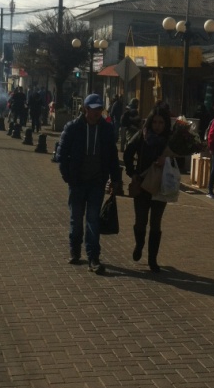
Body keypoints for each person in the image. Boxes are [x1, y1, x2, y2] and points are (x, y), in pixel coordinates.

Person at [56, 92, 123, 274]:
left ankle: (93, 257)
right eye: (93, 109)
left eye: (99, 109)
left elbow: (112, 157)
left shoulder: (106, 129)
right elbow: (61, 154)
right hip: (77, 182)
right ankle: (75, 250)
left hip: (96, 182)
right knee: (76, 218)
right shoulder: (73, 128)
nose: (96, 113)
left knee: (93, 220)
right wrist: (67, 176)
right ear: (85, 109)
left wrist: (116, 179)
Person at [123, 104, 173, 273]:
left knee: (156, 223)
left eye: (161, 123)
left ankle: (153, 259)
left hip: (161, 186)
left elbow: (179, 160)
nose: (157, 126)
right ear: (150, 122)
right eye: (155, 122)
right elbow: (128, 153)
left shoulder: (170, 140)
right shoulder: (142, 136)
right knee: (140, 221)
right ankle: (139, 244)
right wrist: (132, 173)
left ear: (166, 124)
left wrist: (167, 159)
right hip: (142, 184)